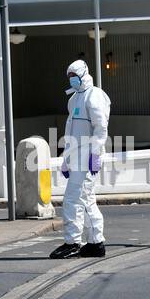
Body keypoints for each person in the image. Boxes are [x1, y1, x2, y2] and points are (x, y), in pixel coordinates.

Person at [50, 58, 110, 259]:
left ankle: (76, 242)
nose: (72, 79)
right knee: (82, 200)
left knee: (78, 200)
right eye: (69, 76)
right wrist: (66, 159)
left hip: (87, 157)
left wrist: (95, 154)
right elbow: (70, 132)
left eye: (74, 76)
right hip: (76, 157)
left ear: (83, 75)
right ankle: (93, 243)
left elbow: (101, 128)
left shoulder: (94, 96)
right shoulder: (74, 99)